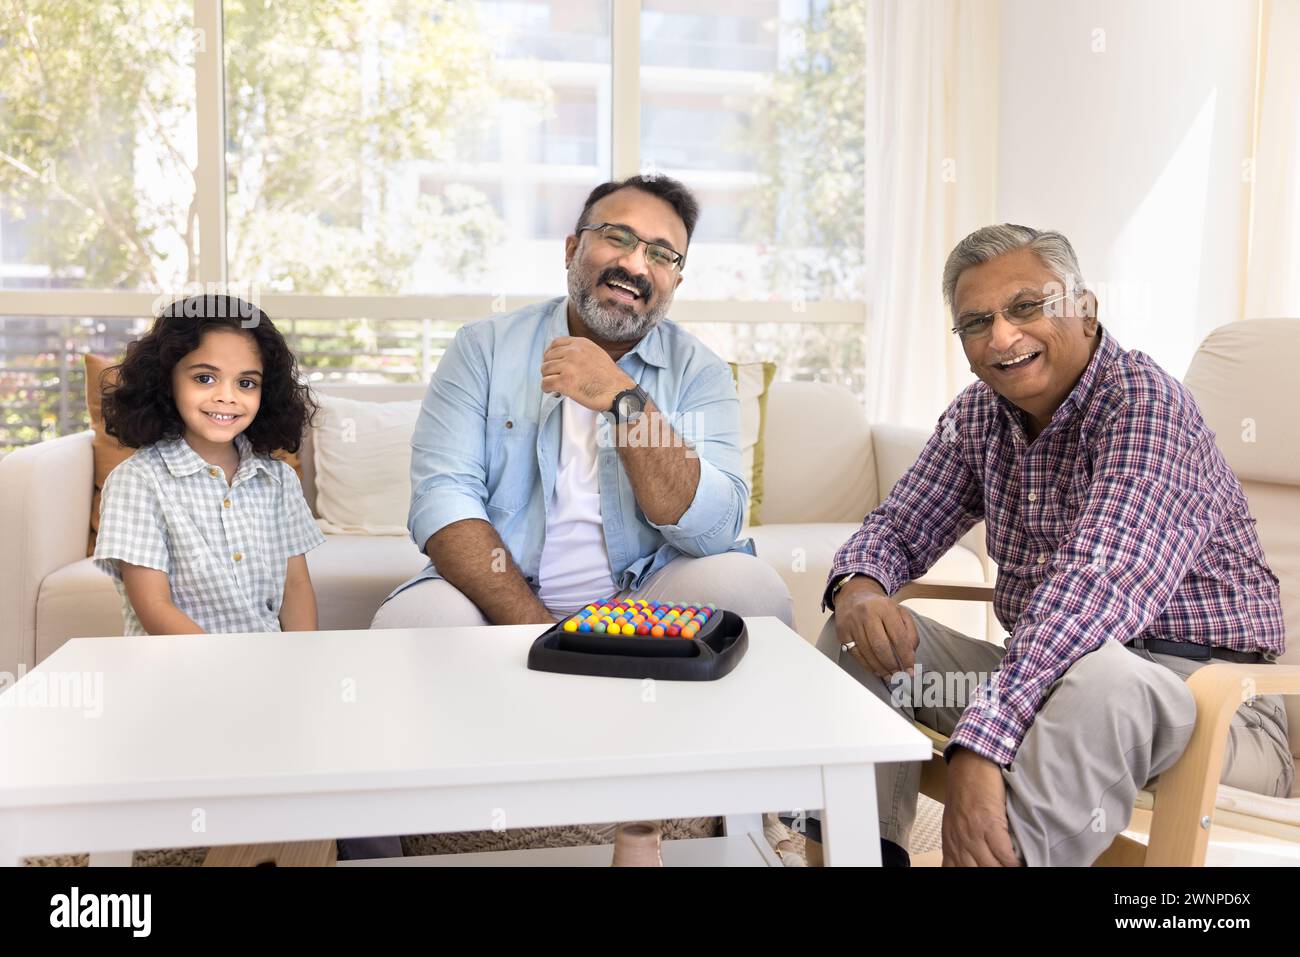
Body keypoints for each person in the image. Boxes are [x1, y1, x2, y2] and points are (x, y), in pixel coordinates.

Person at [807, 224, 1290, 867]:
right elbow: (896, 526)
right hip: (1050, 683)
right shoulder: (980, 413)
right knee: (857, 638)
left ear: (1085, 311)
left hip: (1216, 708)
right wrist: (860, 590)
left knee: (1107, 677)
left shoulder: (1146, 407)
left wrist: (982, 746)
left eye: (1027, 308)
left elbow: (1094, 592)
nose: (1002, 337)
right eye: (977, 322)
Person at [371, 175, 793, 632]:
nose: (635, 264)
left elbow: (714, 530)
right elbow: (444, 501)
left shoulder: (701, 371)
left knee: (752, 589)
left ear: (676, 280)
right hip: (509, 589)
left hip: (646, 593)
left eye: (661, 254)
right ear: (571, 249)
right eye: (618, 237)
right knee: (415, 621)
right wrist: (539, 630)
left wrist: (623, 398)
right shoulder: (483, 348)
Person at [94, 295, 324, 637]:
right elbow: (154, 606)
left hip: (266, 669)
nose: (227, 396)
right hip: (180, 673)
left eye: (246, 383)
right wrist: (225, 671)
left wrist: (300, 661)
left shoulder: (279, 480)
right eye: (205, 378)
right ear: (166, 380)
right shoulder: (136, 482)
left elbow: (295, 587)